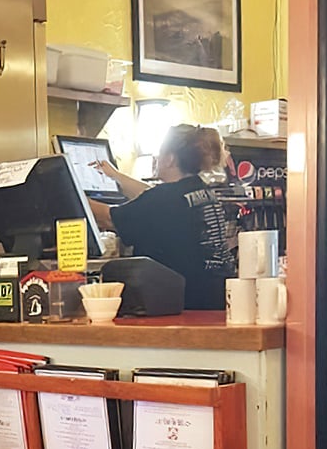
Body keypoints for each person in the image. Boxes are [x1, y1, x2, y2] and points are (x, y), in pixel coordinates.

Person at [89, 124, 235, 310]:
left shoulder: (162, 199)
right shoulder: (201, 191)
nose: (156, 158)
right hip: (212, 301)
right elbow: (150, 195)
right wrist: (116, 176)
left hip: (179, 308)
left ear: (170, 159)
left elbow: (108, 218)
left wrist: (72, 190)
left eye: (159, 153)